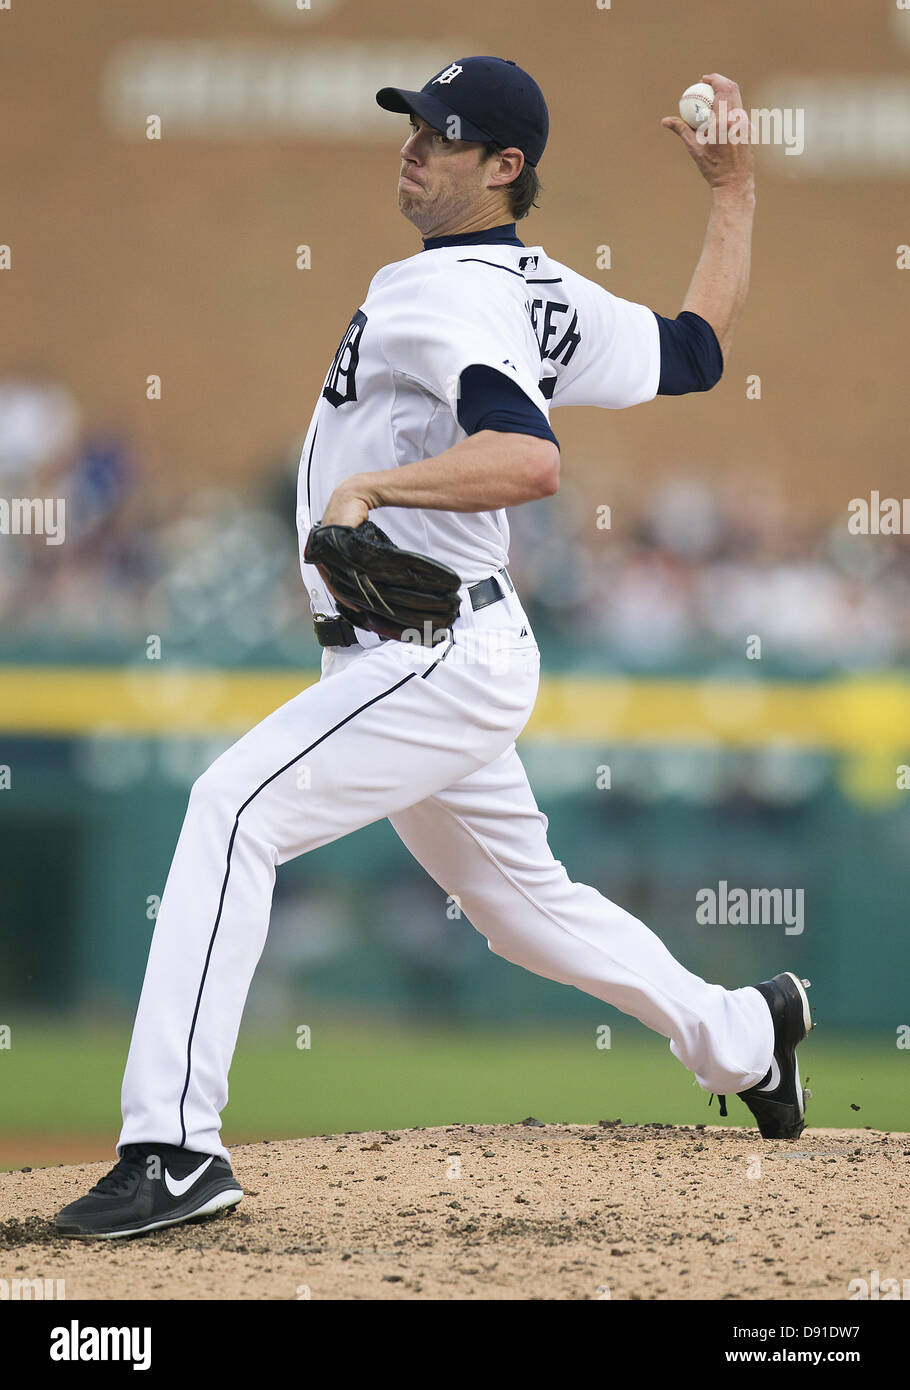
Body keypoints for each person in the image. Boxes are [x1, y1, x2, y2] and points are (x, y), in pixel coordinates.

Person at [56, 57, 812, 1240]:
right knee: (523, 909)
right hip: (434, 651)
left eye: (442, 136)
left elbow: (531, 459)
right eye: (413, 124)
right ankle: (744, 1034)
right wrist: (734, 194)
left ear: (504, 168)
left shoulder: (443, 297)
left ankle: (175, 1149)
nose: (414, 146)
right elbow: (693, 351)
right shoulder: (538, 289)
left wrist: (374, 485)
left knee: (230, 811)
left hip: (426, 650)